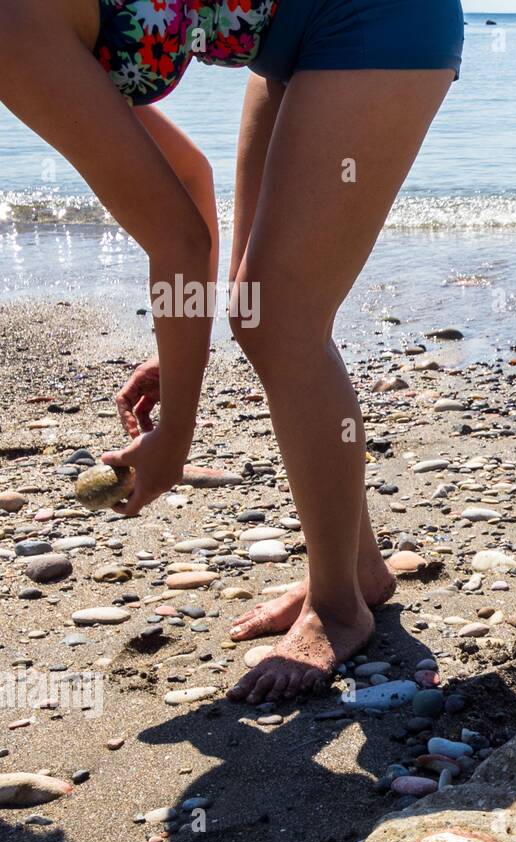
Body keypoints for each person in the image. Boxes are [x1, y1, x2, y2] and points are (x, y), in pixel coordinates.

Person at [0, 0, 464, 705]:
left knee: (281, 320)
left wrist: (175, 436)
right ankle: (358, 569)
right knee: (261, 315)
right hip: (291, 42)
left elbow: (178, 239)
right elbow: (185, 180)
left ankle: (338, 609)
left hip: (375, 15)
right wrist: (182, 343)